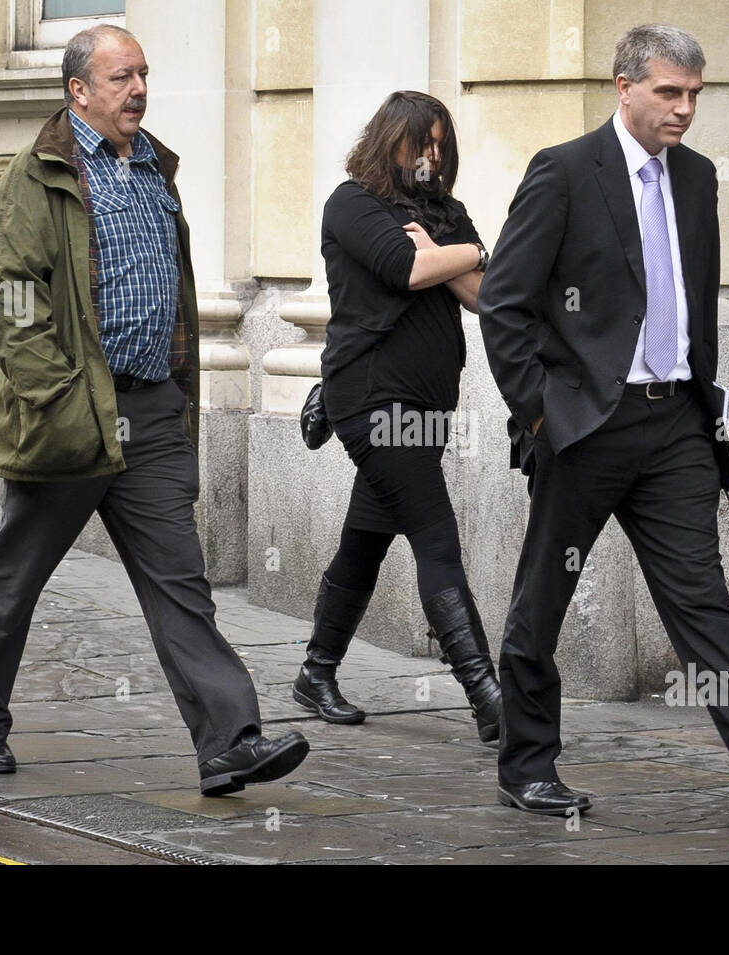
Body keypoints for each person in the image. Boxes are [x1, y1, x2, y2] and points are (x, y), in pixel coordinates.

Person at [477, 24, 729, 817]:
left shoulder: (697, 178)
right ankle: (527, 766)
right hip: (585, 426)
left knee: (702, 600)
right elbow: (505, 302)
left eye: (693, 95)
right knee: (542, 601)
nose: (684, 110)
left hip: (677, 422)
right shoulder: (564, 173)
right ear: (624, 87)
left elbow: (694, 300)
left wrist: (702, 396)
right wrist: (540, 413)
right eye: (669, 93)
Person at [0, 24, 308, 797]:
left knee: (180, 581)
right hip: (70, 412)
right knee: (16, 576)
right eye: (122, 78)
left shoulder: (154, 170)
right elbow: (7, 295)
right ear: (79, 90)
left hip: (149, 412)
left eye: (144, 74)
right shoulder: (37, 175)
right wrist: (54, 393)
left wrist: (179, 390)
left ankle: (228, 742)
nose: (139, 90)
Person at [290, 91, 501, 742]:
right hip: (373, 398)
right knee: (436, 536)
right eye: (421, 142)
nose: (432, 156)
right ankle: (491, 700)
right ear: (391, 141)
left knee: (366, 536)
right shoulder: (353, 204)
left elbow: (486, 298)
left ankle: (315, 672)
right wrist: (467, 252)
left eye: (440, 143)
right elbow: (405, 267)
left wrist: (464, 254)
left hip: (428, 404)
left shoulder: (445, 211)